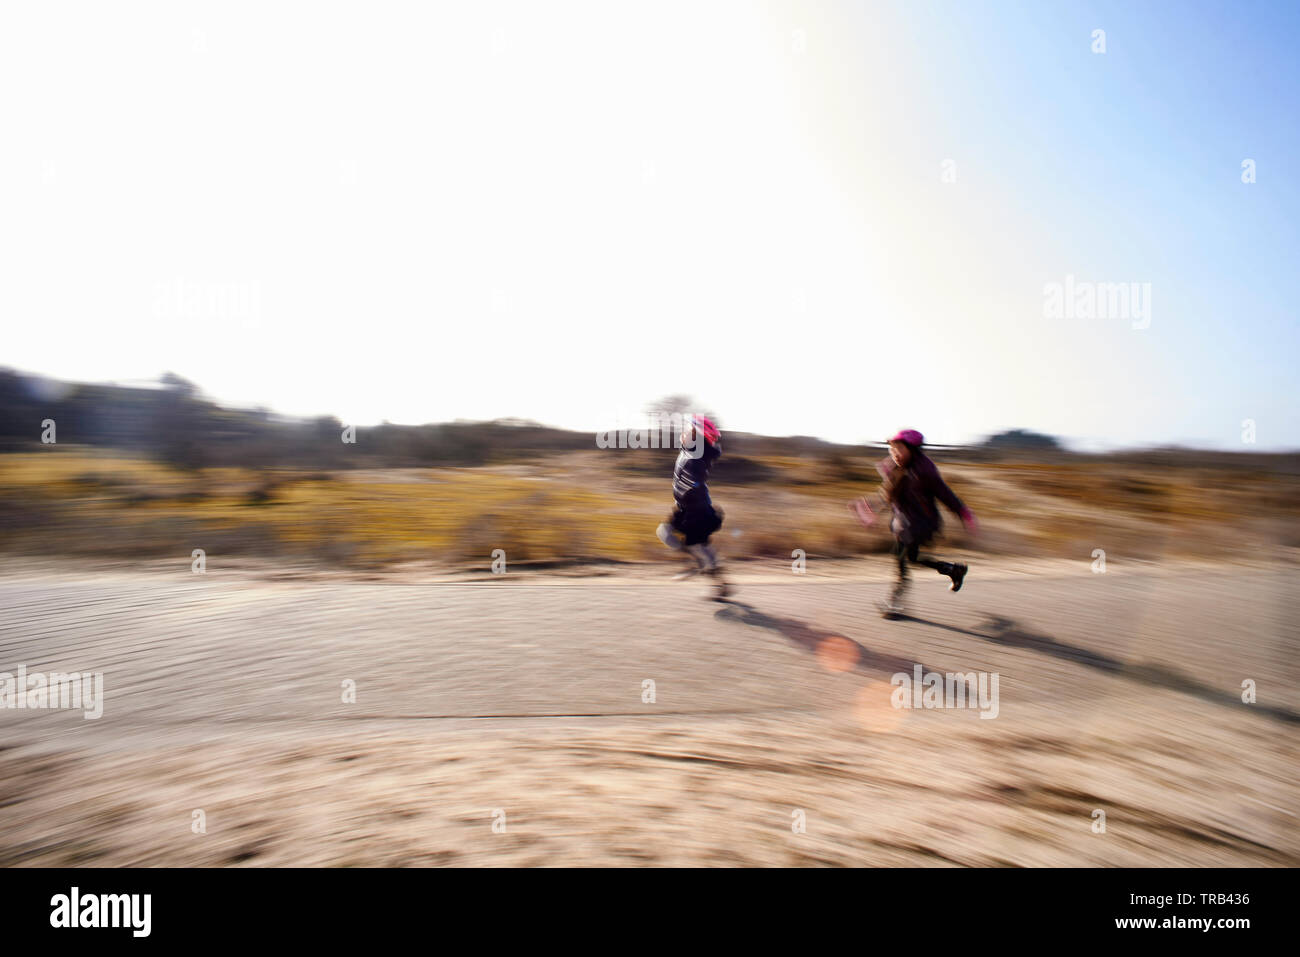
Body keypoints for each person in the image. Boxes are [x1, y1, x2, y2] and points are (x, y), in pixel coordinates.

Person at [857, 428, 977, 619]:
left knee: (900, 558)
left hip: (922, 523)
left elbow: (944, 493)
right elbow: (888, 495)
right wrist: (872, 511)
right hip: (904, 523)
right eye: (892, 449)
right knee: (910, 558)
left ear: (913, 450)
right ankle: (953, 570)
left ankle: (896, 603)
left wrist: (962, 512)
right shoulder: (895, 468)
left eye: (899, 449)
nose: (895, 453)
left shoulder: (924, 470)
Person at [656, 414, 730, 599]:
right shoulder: (690, 451)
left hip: (696, 508)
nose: (684, 432)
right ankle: (709, 569)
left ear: (697, 436)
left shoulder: (696, 457)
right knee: (669, 535)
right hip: (687, 507)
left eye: (689, 430)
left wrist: (692, 487)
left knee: (690, 541)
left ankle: (710, 573)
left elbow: (694, 477)